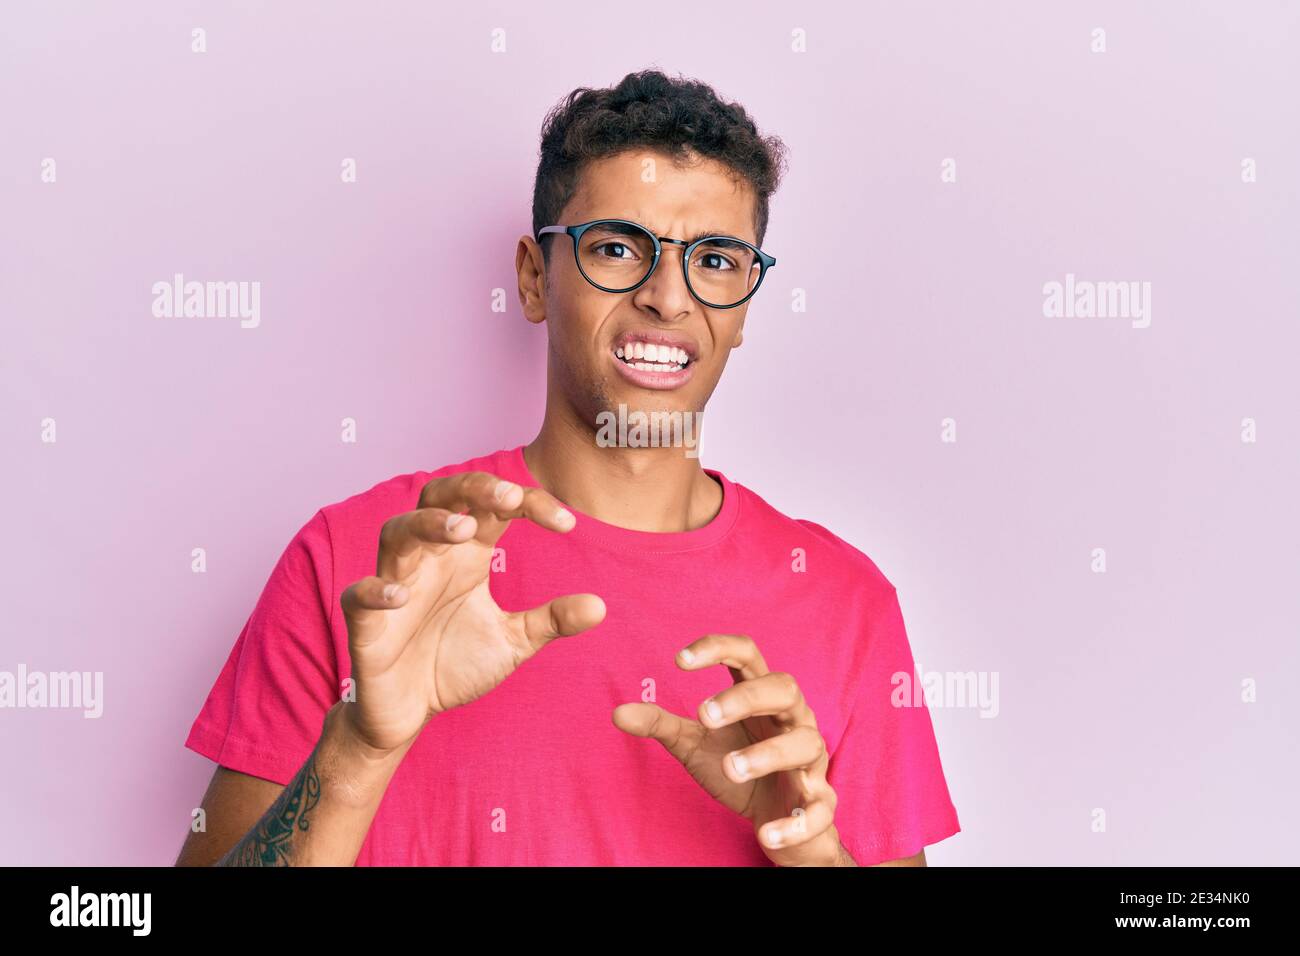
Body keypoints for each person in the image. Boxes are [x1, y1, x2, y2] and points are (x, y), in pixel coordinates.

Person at [175, 69, 960, 867]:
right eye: (618, 248)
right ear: (532, 277)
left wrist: (816, 857)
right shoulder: (363, 563)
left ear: (745, 305)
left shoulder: (846, 603)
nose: (668, 297)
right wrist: (358, 753)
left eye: (717, 260)